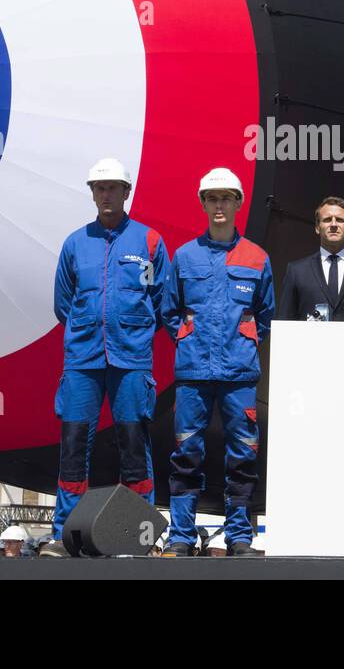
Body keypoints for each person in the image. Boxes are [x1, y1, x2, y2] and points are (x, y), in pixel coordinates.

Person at [53, 158, 171, 540]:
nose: (106, 194)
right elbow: (63, 303)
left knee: (134, 443)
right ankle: (66, 534)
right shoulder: (75, 244)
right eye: (99, 188)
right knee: (73, 444)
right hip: (82, 361)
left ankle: (137, 532)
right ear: (92, 193)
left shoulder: (149, 242)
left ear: (127, 192)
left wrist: (131, 328)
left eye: (113, 188)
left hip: (131, 359)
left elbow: (159, 299)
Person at [161, 168, 275, 558]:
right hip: (193, 374)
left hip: (239, 374)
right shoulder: (184, 256)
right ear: (203, 204)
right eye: (212, 198)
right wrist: (186, 338)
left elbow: (265, 314)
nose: (219, 205)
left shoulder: (257, 258)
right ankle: (181, 537)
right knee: (186, 454)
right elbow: (169, 309)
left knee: (243, 454)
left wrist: (244, 343)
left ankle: (240, 537)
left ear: (239, 202)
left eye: (226, 197)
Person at [276, 196, 344, 407]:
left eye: (340, 220)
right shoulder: (297, 271)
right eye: (327, 220)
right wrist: (283, 376)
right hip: (306, 376)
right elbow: (285, 324)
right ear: (317, 227)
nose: (334, 225)